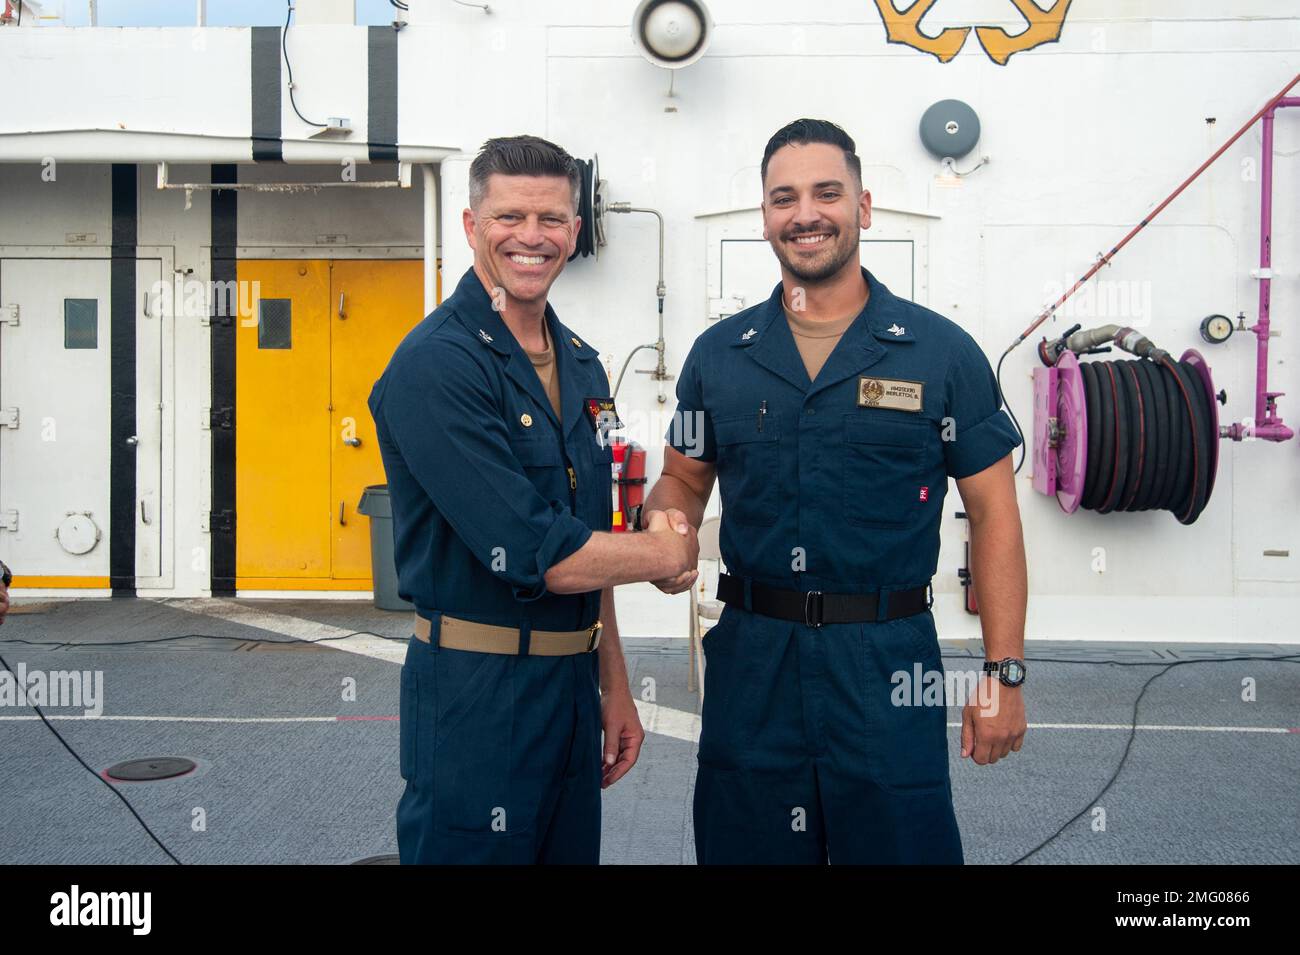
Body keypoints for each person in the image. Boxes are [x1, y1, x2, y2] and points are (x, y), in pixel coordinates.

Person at [641, 118, 1029, 864]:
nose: (806, 213)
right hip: (753, 661)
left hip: (886, 662)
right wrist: (666, 524)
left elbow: (994, 515)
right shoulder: (718, 358)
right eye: (784, 198)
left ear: (864, 206)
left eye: (827, 192)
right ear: (765, 218)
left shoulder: (940, 353)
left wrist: (1003, 671)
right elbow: (684, 478)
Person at [368, 135, 698, 864]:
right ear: (471, 226)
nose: (531, 236)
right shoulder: (436, 367)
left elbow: (597, 524)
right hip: (476, 696)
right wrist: (665, 549)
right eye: (509, 216)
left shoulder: (582, 362)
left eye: (551, 219)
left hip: (571, 689)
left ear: (574, 234)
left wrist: (614, 682)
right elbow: (537, 551)